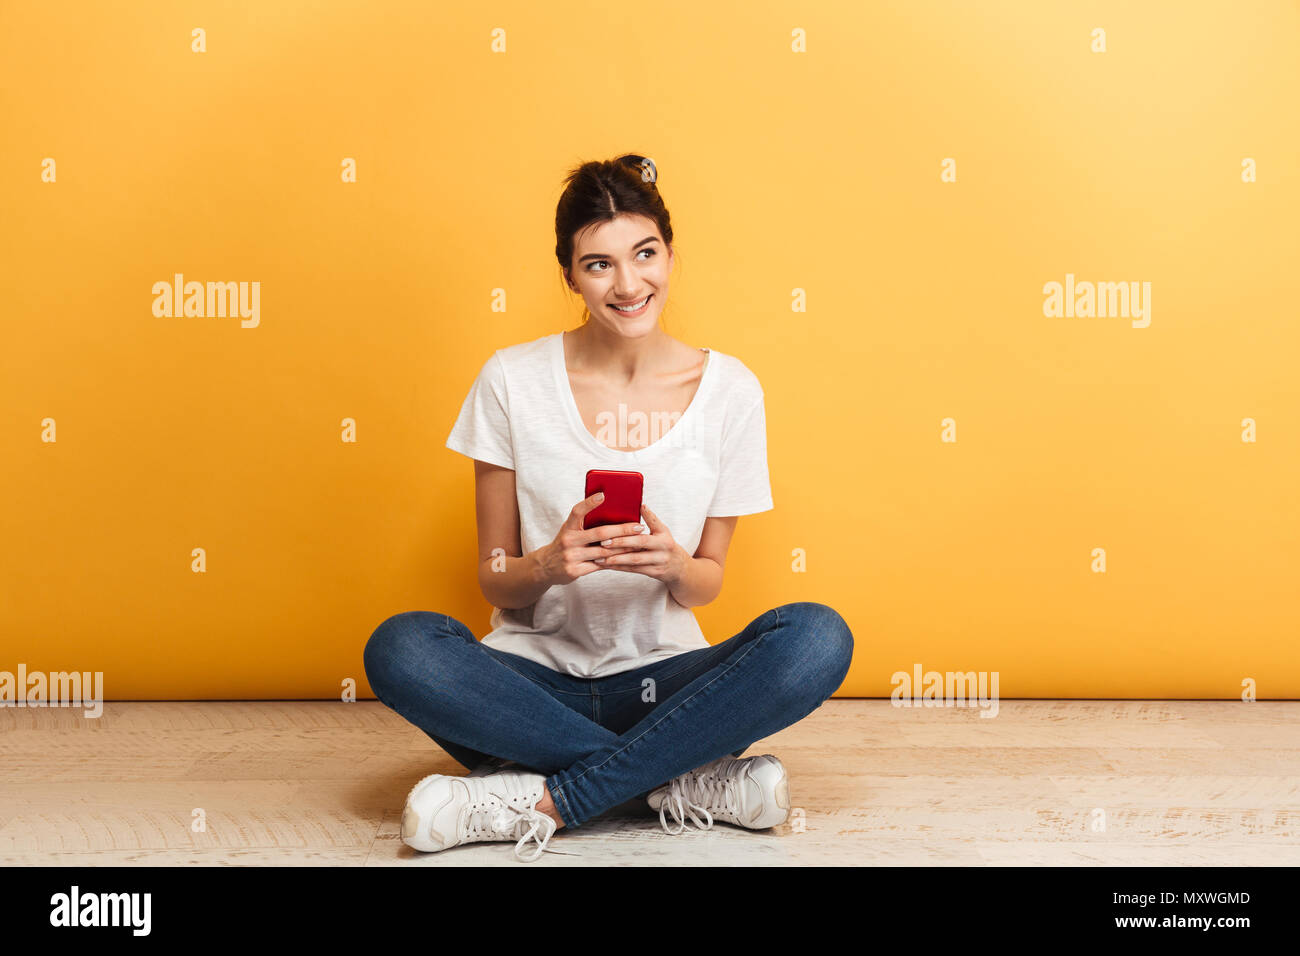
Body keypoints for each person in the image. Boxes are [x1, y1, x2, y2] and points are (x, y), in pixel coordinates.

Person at [363, 154, 853, 862]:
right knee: (402, 647)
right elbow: (493, 579)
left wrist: (676, 568)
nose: (629, 285)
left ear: (670, 254)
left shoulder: (731, 391)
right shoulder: (510, 381)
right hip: (529, 691)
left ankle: (543, 800)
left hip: (670, 688)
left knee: (816, 637)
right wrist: (547, 566)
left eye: (644, 254)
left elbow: (710, 579)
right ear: (569, 274)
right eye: (599, 264)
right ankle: (676, 782)